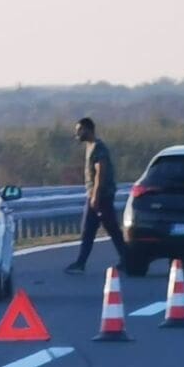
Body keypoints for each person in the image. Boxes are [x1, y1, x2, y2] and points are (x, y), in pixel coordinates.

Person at [64, 117, 127, 275]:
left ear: (88, 129)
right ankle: (128, 259)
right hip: (97, 195)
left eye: (79, 130)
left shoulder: (99, 148)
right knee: (102, 229)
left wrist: (95, 196)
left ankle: (81, 263)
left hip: (101, 196)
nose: (77, 134)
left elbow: (100, 172)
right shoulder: (90, 146)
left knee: (96, 229)